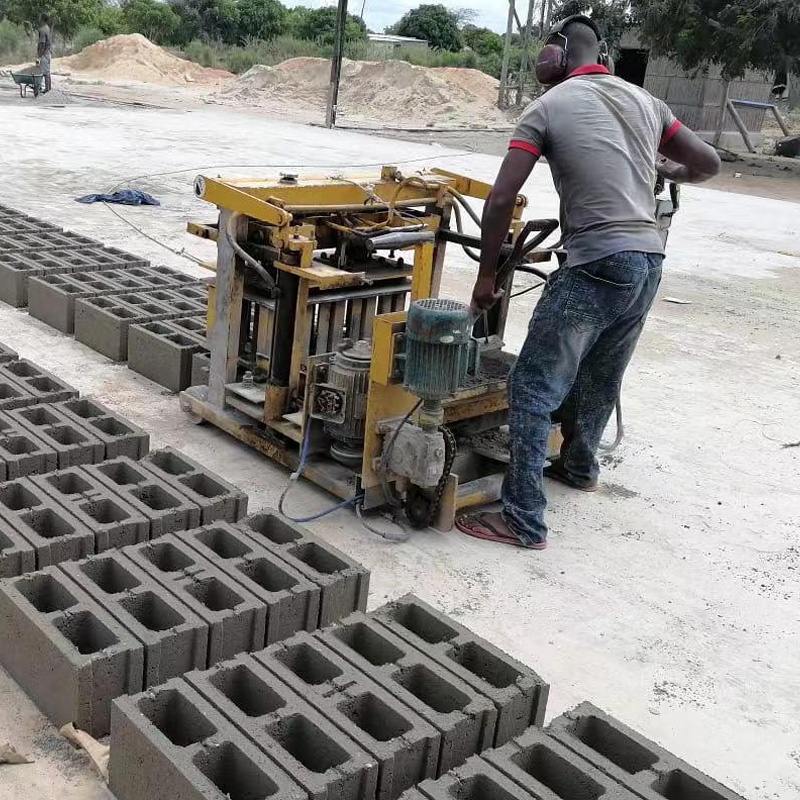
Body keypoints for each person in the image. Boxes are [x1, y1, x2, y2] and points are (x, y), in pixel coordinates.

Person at [456, 15, 721, 550]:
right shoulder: (647, 102)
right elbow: (709, 163)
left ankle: (523, 520)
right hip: (647, 261)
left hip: (597, 261)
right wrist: (669, 172)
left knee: (533, 386)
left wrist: (485, 277)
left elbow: (502, 197)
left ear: (554, 56)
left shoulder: (547, 107)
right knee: (600, 375)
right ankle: (579, 468)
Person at [37, 13, 53, 95]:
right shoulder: (47, 28)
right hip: (49, 52)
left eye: (39, 18)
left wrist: (39, 56)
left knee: (44, 72)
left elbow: (42, 43)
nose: (38, 19)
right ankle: (48, 89)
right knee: (46, 72)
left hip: (45, 53)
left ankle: (47, 90)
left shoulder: (42, 29)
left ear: (42, 19)